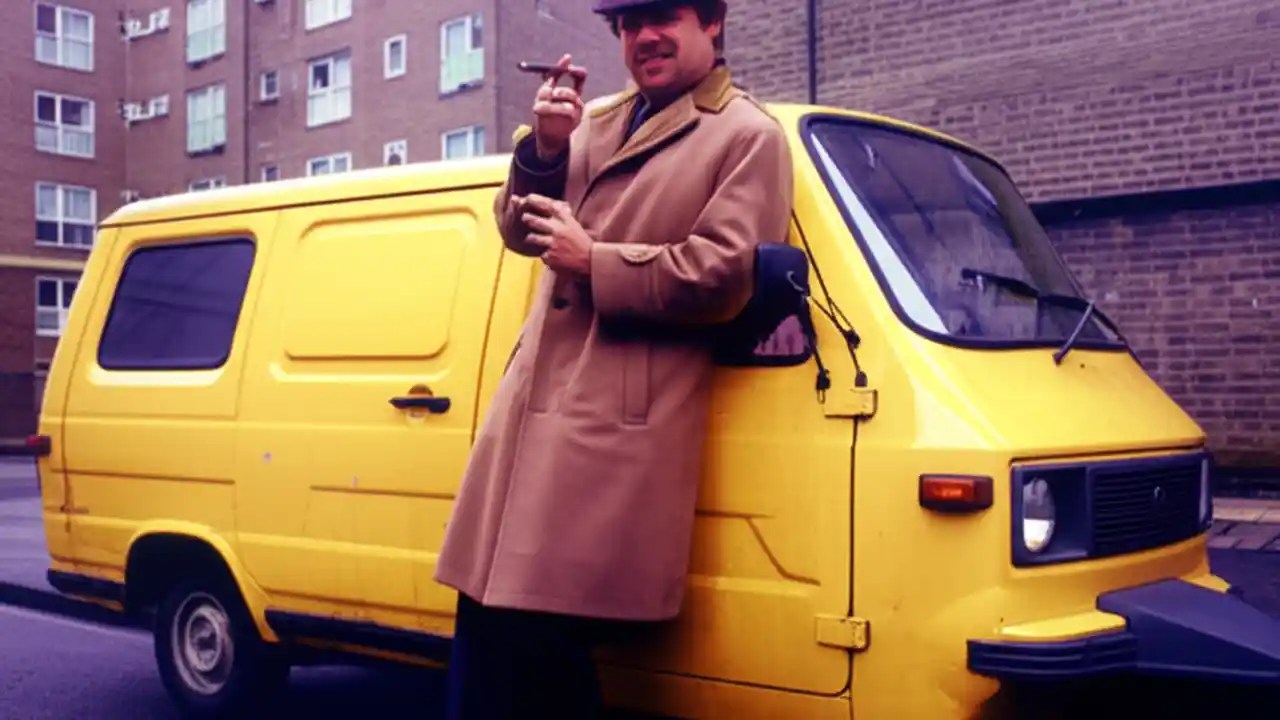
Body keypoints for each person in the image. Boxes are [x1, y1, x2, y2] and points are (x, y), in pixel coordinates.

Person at [434, 0, 794, 716]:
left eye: (663, 15)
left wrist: (594, 261)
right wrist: (543, 148)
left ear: (713, 21)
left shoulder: (748, 136)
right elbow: (518, 229)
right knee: (490, 631)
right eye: (628, 23)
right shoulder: (593, 121)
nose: (644, 37)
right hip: (530, 422)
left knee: (534, 644)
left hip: (611, 432)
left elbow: (725, 274)